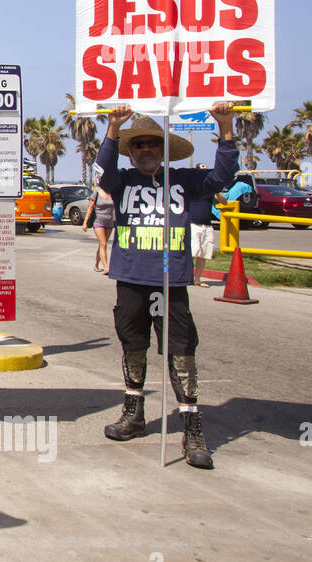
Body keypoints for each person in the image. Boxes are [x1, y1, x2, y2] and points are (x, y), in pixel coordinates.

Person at [97, 103, 237, 469]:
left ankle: (192, 430)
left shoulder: (185, 181)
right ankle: (134, 414)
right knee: (133, 344)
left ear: (163, 149)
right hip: (129, 277)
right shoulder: (122, 180)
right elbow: (101, 170)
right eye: (139, 144)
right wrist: (113, 128)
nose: (146, 149)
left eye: (152, 144)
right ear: (131, 151)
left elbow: (223, 177)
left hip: (169, 281)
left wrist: (226, 128)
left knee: (181, 350)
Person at [189, 165, 216, 287]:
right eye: (202, 168)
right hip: (194, 224)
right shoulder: (192, 187)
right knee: (193, 253)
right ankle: (187, 277)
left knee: (204, 254)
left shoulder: (211, 189)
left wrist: (215, 192)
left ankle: (197, 279)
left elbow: (224, 201)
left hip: (207, 225)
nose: (205, 169)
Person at [83, 185, 115, 273]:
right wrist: (85, 223)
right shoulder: (96, 193)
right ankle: (106, 267)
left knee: (102, 245)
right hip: (98, 222)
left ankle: (96, 264)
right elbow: (90, 208)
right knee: (103, 243)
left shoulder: (113, 193)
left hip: (109, 222)